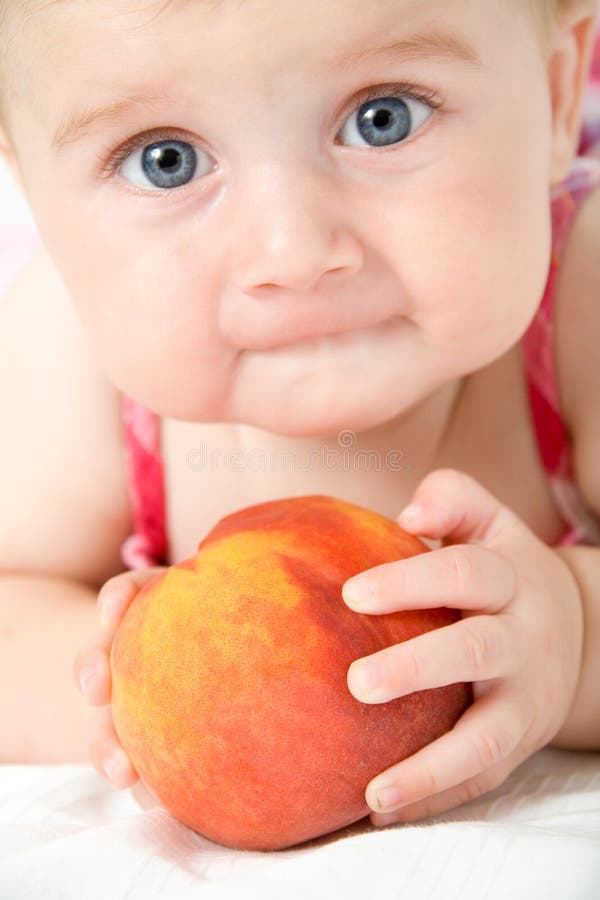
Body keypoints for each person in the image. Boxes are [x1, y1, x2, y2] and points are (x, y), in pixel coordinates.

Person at [1, 0, 599, 830]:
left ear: (558, 94)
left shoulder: (582, 305)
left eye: (383, 119)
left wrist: (577, 635)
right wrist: (133, 696)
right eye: (165, 161)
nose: (293, 253)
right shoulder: (69, 361)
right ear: (31, 192)